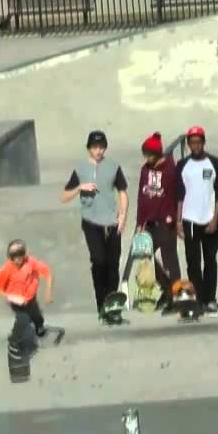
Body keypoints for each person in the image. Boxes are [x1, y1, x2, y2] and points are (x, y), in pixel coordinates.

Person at [61, 130, 129, 323]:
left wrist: (123, 216)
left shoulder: (113, 167)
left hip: (112, 222)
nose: (98, 151)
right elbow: (64, 196)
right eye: (95, 147)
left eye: (101, 147)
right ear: (88, 148)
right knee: (99, 261)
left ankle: (112, 306)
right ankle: (101, 305)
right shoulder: (80, 168)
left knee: (113, 264)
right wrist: (79, 188)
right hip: (91, 222)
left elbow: (122, 192)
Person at [175, 125, 218, 317]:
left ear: (203, 143)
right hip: (189, 219)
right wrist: (178, 221)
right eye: (192, 143)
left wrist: (215, 218)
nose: (195, 146)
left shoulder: (214, 163)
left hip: (209, 218)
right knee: (193, 262)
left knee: (210, 260)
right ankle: (197, 299)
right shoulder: (182, 165)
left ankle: (210, 299)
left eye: (198, 142)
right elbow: (179, 195)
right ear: (188, 144)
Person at [135, 131, 182, 314]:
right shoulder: (145, 170)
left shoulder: (170, 170)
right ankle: (167, 288)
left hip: (166, 221)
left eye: (149, 155)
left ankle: (176, 297)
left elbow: (178, 196)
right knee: (143, 255)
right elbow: (142, 197)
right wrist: (140, 222)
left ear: (157, 153)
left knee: (170, 259)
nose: (146, 158)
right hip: (149, 222)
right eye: (145, 155)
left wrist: (176, 219)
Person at [0, 239, 54, 339]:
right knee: (22, 319)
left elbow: (48, 273)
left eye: (21, 255)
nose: (19, 259)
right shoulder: (6, 269)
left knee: (37, 316)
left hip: (31, 299)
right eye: (15, 256)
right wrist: (12, 297)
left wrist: (48, 293)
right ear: (10, 257)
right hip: (16, 302)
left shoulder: (31, 262)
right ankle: (19, 335)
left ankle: (39, 327)